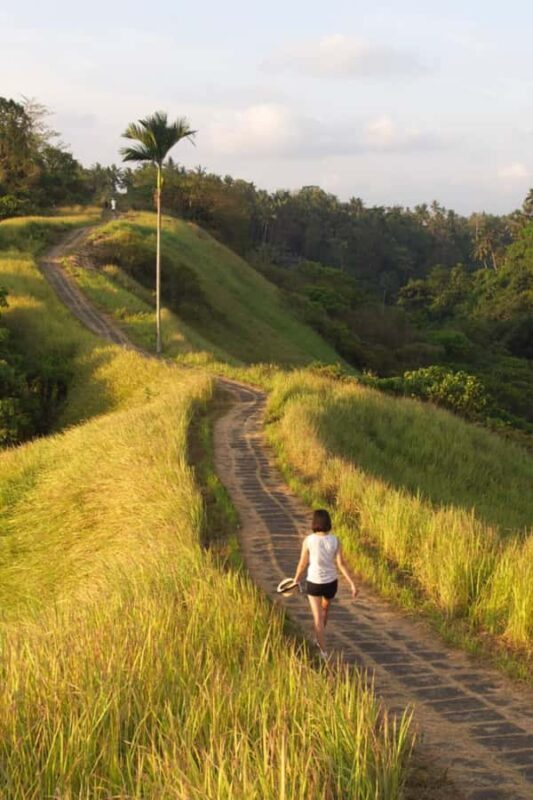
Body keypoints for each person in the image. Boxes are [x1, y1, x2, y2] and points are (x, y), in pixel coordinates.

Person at [293, 509, 357, 659]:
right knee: (324, 611)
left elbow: (303, 563)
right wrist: (352, 584)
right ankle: (318, 639)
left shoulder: (308, 540)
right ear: (328, 522)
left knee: (317, 619)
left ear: (314, 523)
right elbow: (341, 564)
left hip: (314, 583)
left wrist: (295, 579)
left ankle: (323, 652)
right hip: (331, 584)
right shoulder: (336, 540)